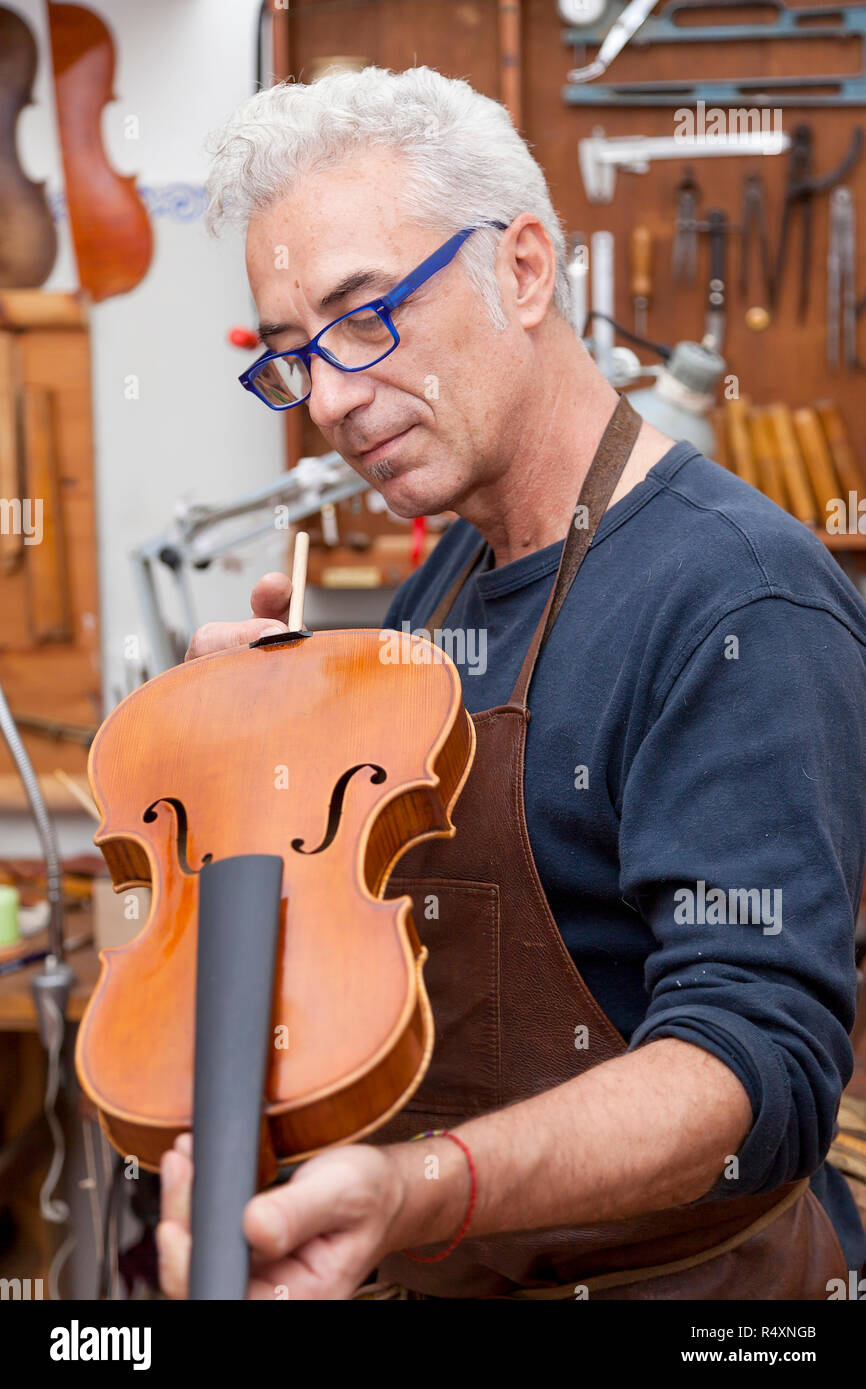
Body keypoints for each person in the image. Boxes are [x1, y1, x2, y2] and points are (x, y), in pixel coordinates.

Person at [156, 65, 866, 1300]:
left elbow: (752, 1065)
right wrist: (262, 740)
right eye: (289, 356)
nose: (324, 397)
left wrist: (419, 1188)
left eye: (363, 317)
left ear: (523, 269)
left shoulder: (736, 599)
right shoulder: (436, 589)